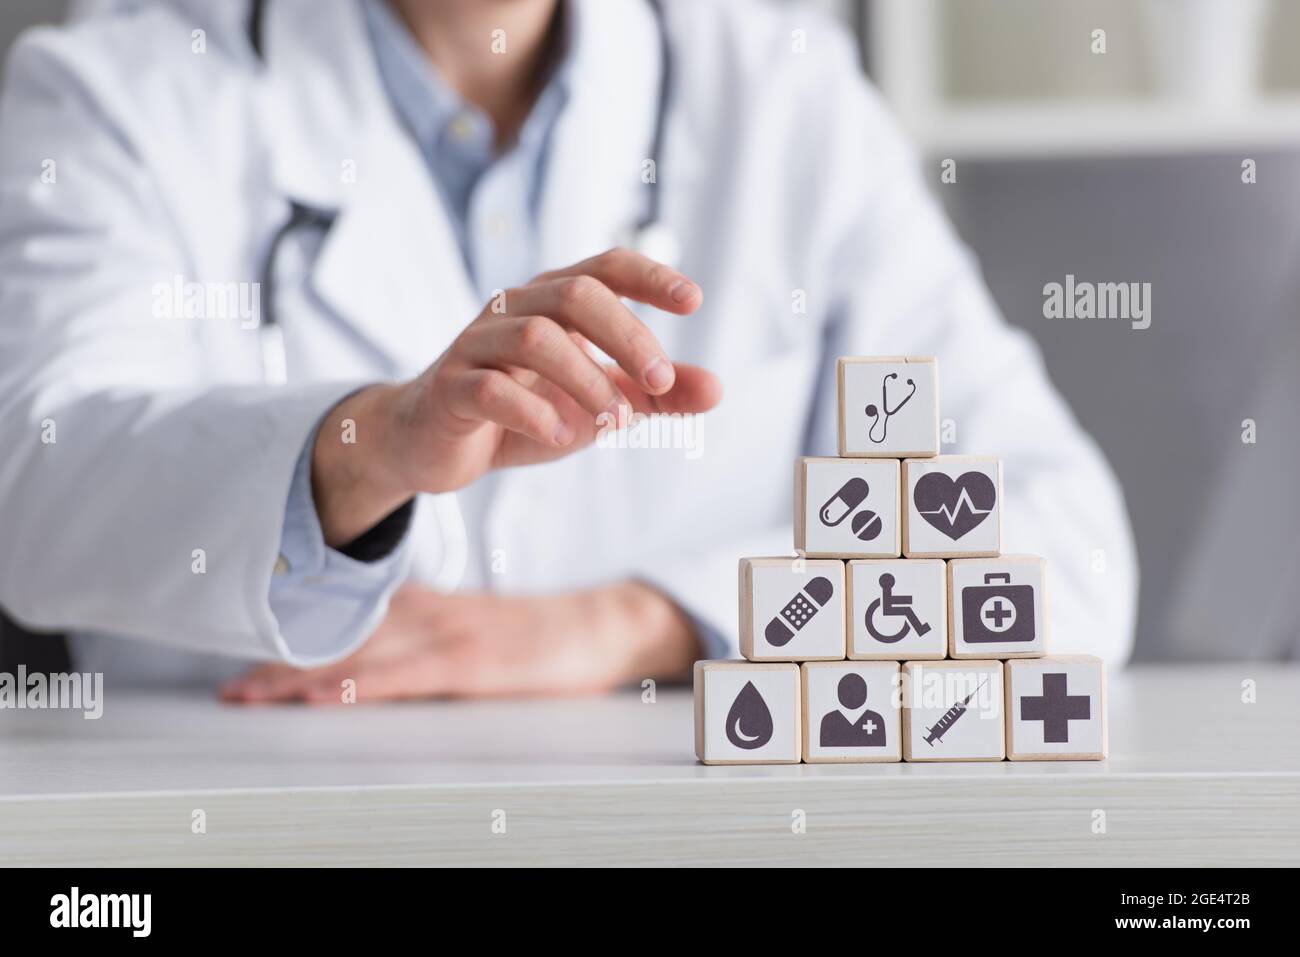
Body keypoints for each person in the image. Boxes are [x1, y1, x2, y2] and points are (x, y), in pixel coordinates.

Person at [0, 0, 1138, 703]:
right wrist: (371, 445)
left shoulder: (786, 93)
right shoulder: (116, 96)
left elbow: (1064, 549)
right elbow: (34, 496)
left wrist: (638, 620)